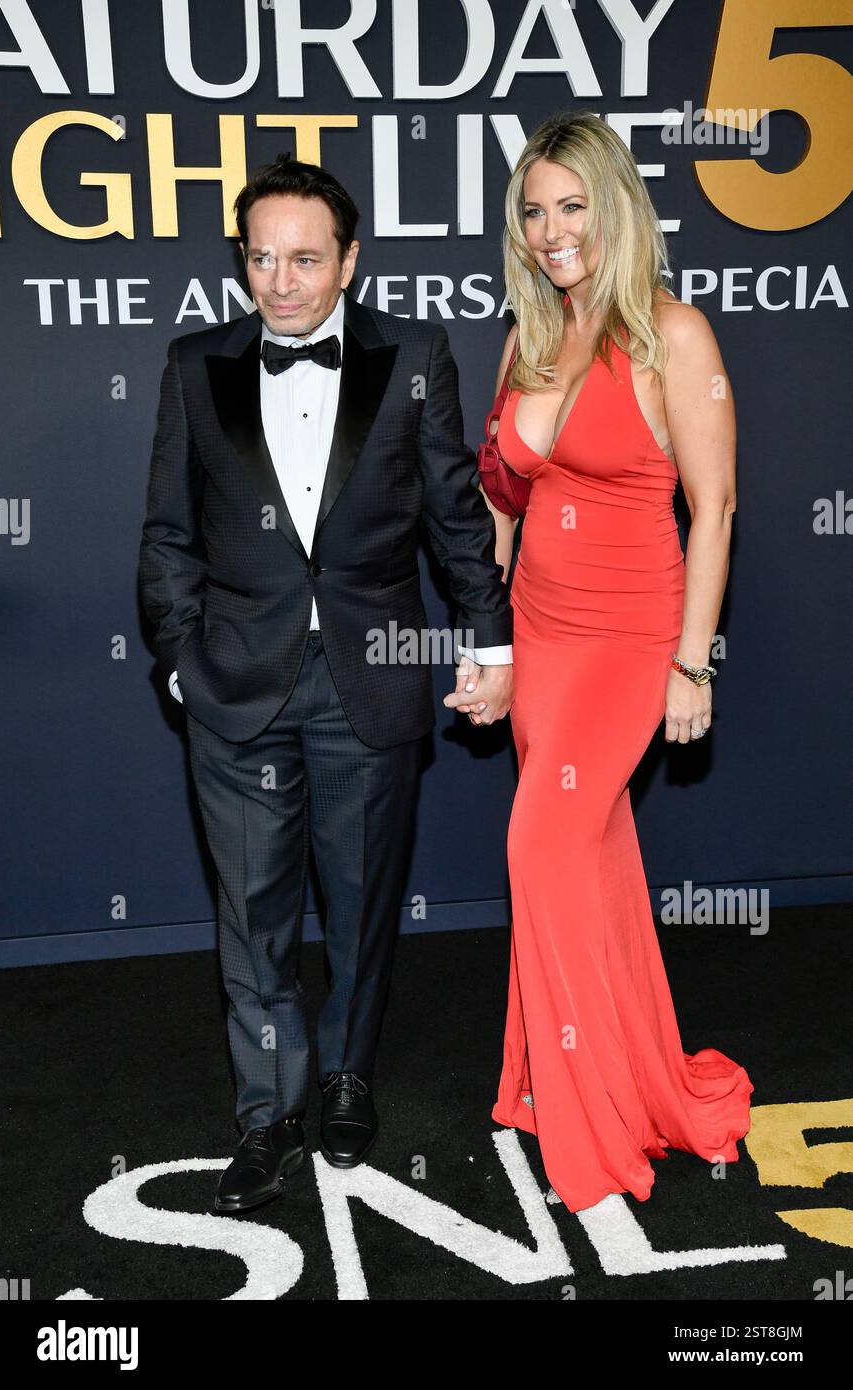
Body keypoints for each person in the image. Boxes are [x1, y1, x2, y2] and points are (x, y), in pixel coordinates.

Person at [138, 154, 513, 1215]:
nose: (282, 280)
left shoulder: (411, 355)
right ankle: (267, 1114)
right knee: (250, 920)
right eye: (261, 258)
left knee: (359, 905)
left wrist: (493, 640)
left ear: (347, 259)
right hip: (235, 686)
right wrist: (179, 656)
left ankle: (346, 1077)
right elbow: (166, 534)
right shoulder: (193, 364)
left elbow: (452, 513)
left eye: (305, 258)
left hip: (372, 676)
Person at [448, 111, 753, 1212]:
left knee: (541, 846)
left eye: (570, 205)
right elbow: (498, 501)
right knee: (593, 867)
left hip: (630, 639)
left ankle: (595, 1126)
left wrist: (689, 666)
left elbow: (711, 509)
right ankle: (594, 1079)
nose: (549, 230)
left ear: (614, 208)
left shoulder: (674, 335)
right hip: (541, 633)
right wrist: (493, 648)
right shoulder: (526, 337)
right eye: (531, 211)